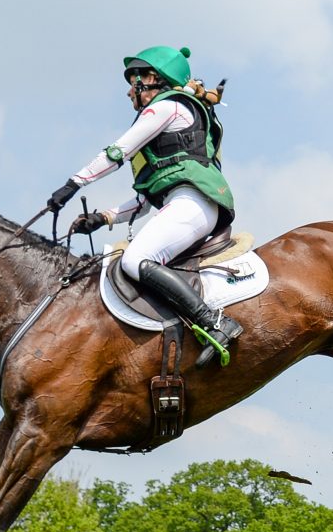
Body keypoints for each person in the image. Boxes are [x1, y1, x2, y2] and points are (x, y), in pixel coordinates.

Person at [47, 45, 240, 368]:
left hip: (194, 202)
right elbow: (143, 202)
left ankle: (216, 323)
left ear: (152, 79)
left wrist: (73, 184)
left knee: (136, 259)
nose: (128, 92)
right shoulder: (166, 127)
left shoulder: (168, 108)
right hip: (186, 202)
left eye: (133, 81)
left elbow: (118, 151)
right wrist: (104, 217)